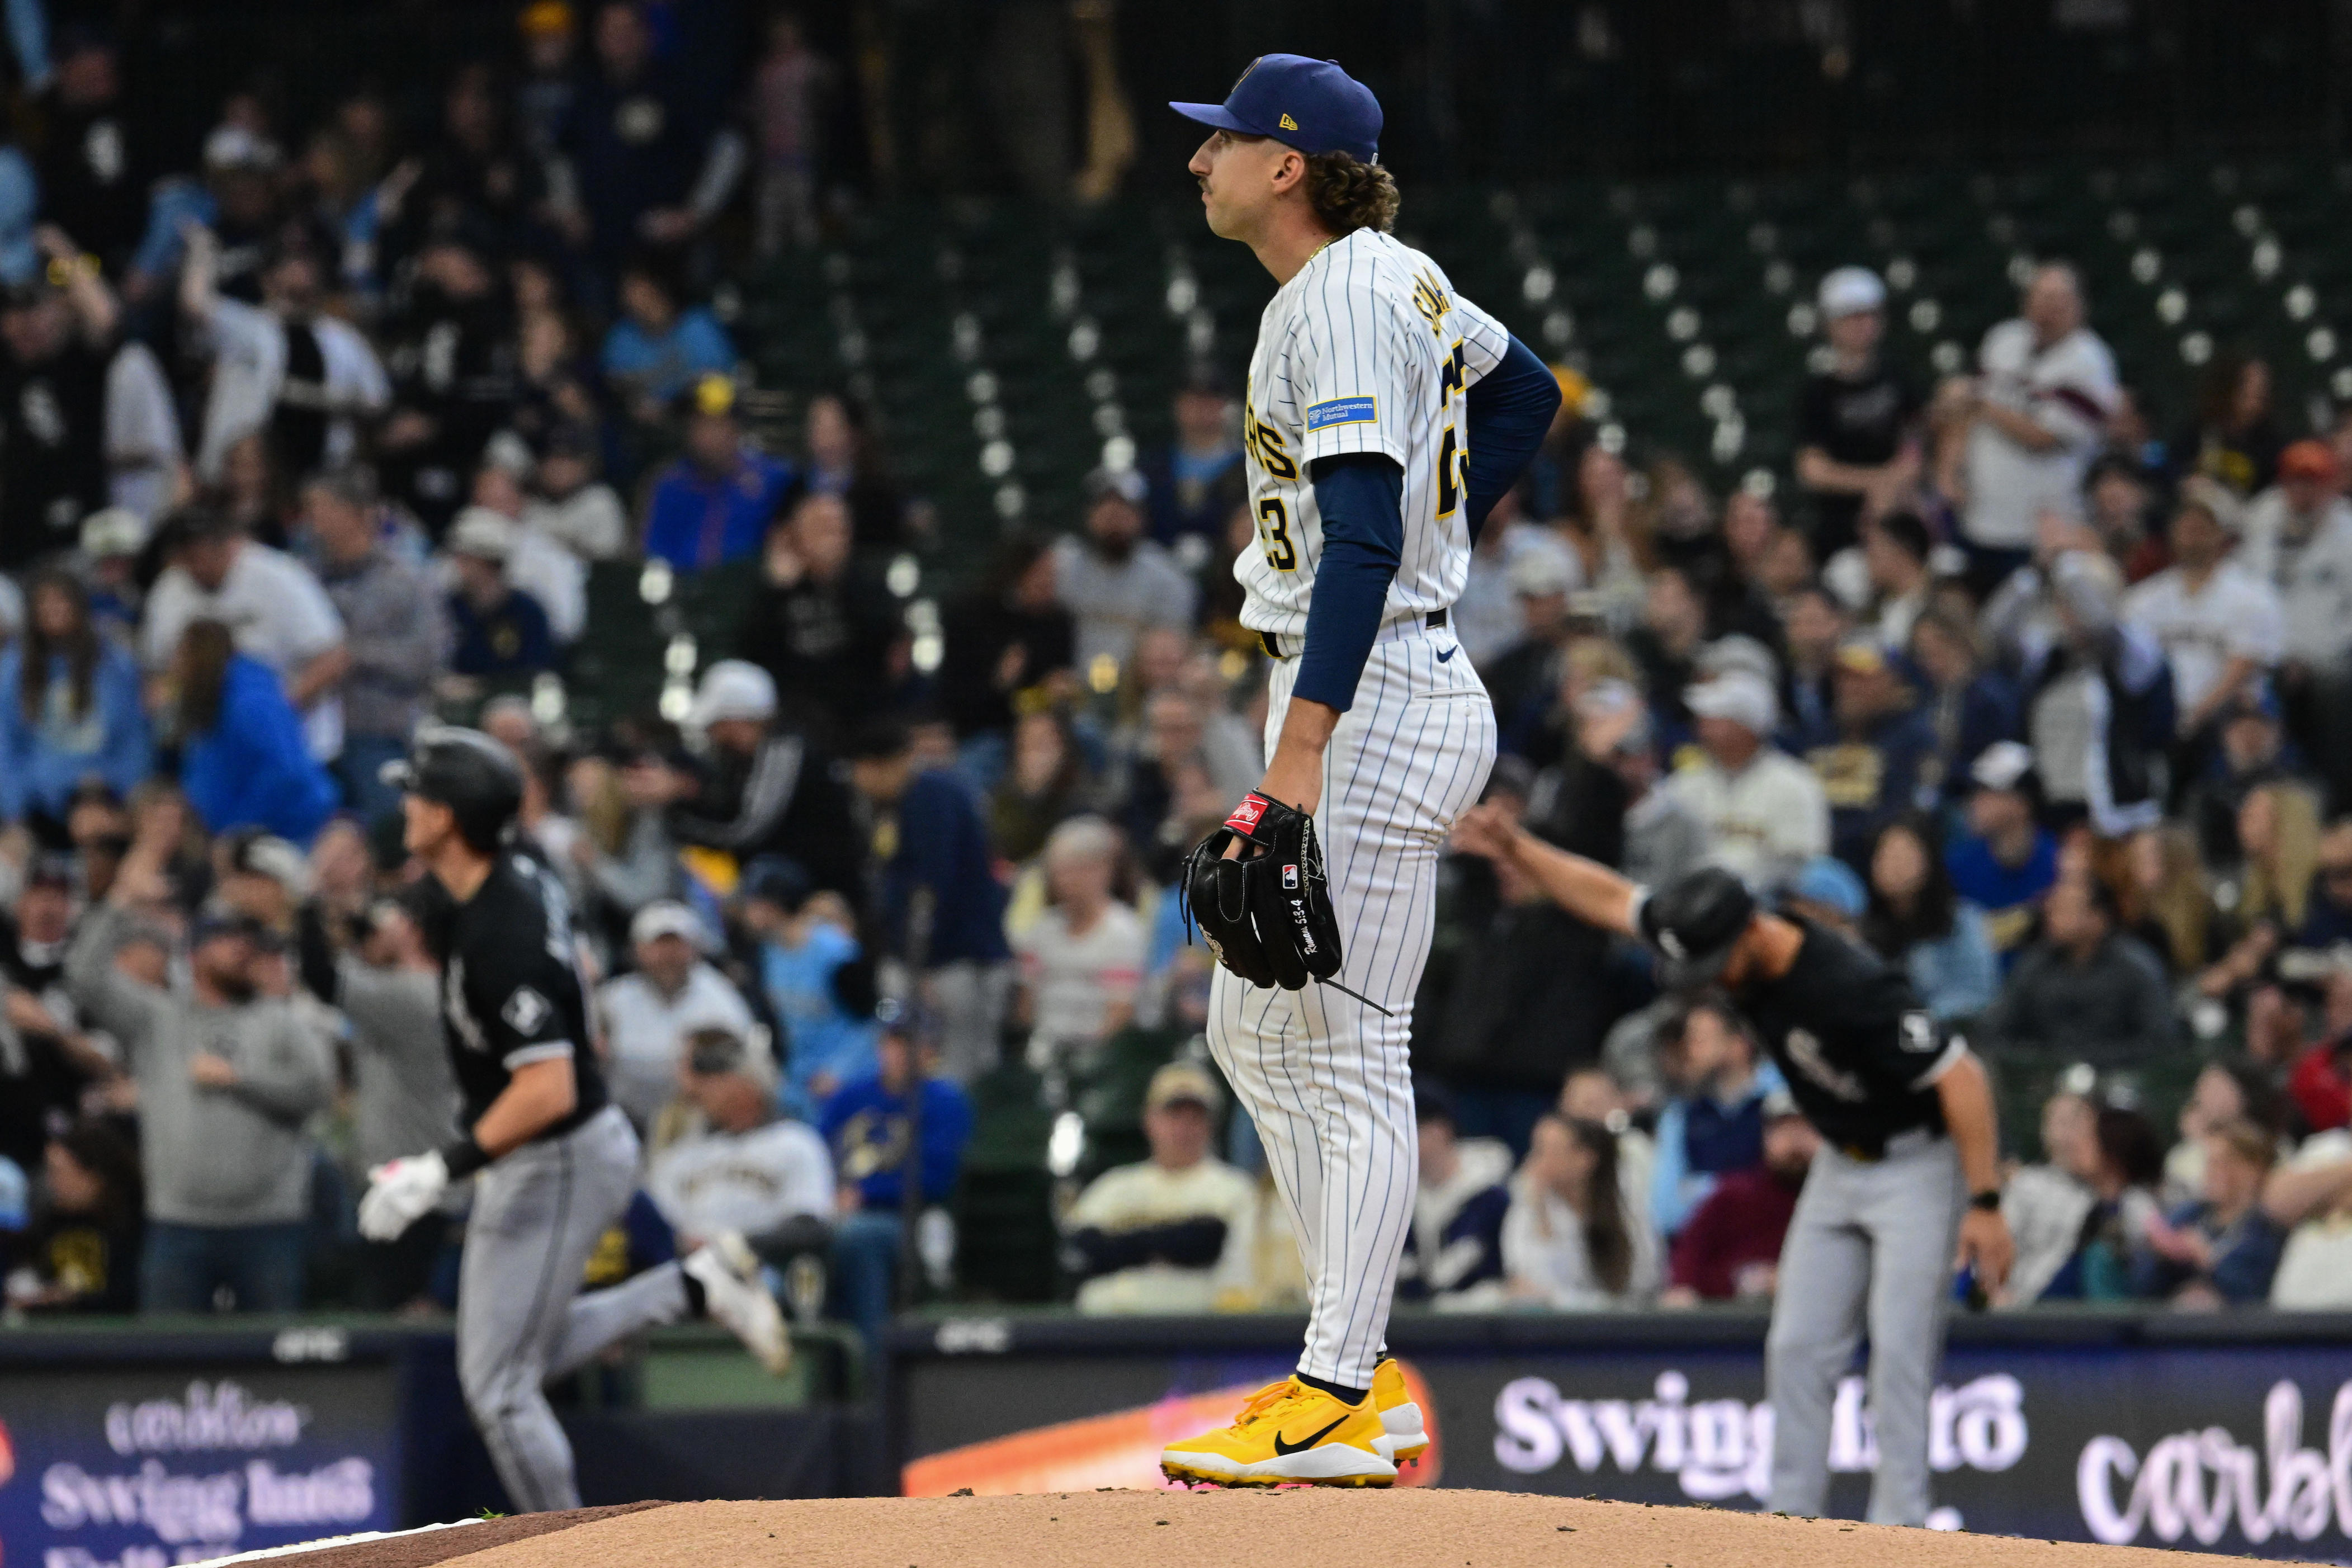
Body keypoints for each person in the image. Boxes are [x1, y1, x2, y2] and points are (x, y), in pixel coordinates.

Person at [1153, 54, 1560, 1491]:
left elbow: (1368, 541)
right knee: (1254, 1037)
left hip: (1371, 688)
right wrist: (1450, 528)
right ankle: (1357, 1371)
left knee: (1350, 1044)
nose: (1196, 161)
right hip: (1382, 668)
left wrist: (1297, 758)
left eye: (1219, 143)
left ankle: (1337, 1386)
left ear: (1286, 164)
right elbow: (1527, 396)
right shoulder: (1400, 274)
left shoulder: (1330, 297)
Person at [1450, 808, 2014, 1527]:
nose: (1709, 982)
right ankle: (1791, 1526)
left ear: (1750, 931)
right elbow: (1609, 897)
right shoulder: (1710, 924)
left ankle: (1901, 1530)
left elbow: (1962, 1077)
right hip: (1842, 1160)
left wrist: (1986, 1201)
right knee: (1798, 1344)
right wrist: (1518, 847)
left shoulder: (1846, 982)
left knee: (1899, 1351)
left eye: (1714, 967)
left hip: (1916, 1163)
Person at [356, 728, 788, 1514]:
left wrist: (437, 1169)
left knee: (499, 1387)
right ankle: (694, 1287)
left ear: (449, 816)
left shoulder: (501, 929)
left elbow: (549, 1086)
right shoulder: (505, 879)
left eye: (417, 794)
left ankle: (567, 1548)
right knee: (514, 1354)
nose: (406, 806)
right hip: (547, 1147)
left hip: (556, 1150)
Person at [66, 815, 335, 1314]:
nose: (241, 949)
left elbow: (315, 1091)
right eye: (227, 939)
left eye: (246, 940)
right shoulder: (159, 1018)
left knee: (275, 1367)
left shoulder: (280, 1017)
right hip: (178, 1225)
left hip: (268, 1226)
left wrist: (240, 1079)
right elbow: (83, 976)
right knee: (167, 1367)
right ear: (195, 953)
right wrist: (121, 903)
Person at [844, 720, 1013, 1083]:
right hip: (923, 961)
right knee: (906, 1071)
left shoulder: (934, 799)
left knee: (963, 1074)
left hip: (957, 962)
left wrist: (920, 967)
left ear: (885, 764)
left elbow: (934, 891)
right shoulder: (896, 803)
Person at [320, 896, 461, 1311]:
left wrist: (316, 908)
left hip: (414, 1187)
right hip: (421, 1177)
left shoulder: (416, 992)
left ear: (416, 934)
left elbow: (323, 978)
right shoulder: (434, 990)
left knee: (403, 1322)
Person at [1949, 263, 2119, 597]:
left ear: (2079, 306)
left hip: (2043, 532)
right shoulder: (2004, 339)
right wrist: (1950, 469)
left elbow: (2043, 436)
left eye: (2058, 299)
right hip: (1979, 520)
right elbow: (1962, 412)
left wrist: (1982, 403)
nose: (2047, 309)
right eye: (2040, 297)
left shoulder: (2090, 361)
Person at [141, 508, 350, 765]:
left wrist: (270, 714)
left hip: (299, 746)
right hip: (215, 752)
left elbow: (333, 657)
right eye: (185, 556)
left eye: (199, 553)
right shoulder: (170, 588)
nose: (194, 565)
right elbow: (159, 675)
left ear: (228, 545)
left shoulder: (279, 576)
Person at [819, 1013, 973, 1356]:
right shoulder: (851, 1097)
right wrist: (828, 1193)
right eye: (894, 1043)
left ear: (929, 1051)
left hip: (907, 1219)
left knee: (859, 1237)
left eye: (911, 1044)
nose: (900, 1053)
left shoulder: (944, 1101)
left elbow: (936, 1177)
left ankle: (876, 1365)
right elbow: (816, 1151)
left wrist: (864, 1194)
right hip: (833, 1209)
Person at [303, 465, 446, 822]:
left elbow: (425, 659)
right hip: (313, 739)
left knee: (388, 842)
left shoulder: (403, 581)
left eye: (323, 509)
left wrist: (355, 655)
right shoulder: (303, 580)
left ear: (358, 514)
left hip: (379, 735)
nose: (313, 521)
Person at [1065, 1060, 1257, 1313]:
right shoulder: (1112, 1187)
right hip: (1105, 1333)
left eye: (1196, 1117)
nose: (1184, 1129)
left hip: (1194, 1335)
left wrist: (1125, 1247)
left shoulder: (1236, 1190)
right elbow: (1080, 1257)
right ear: (1150, 1120)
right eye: (1174, 1115)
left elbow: (1233, 1271)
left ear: (1212, 1125)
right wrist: (1174, 1242)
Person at [646, 1027, 835, 1254]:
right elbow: (657, 1227)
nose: (701, 1091)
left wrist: (730, 1248)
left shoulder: (796, 1142)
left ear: (745, 1084)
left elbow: (811, 1228)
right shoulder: (681, 1154)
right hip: (688, 1272)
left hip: (762, 1272)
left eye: (714, 1081)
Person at [736, 490, 905, 743]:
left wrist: (835, 580)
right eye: (821, 529)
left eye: (839, 529)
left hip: (862, 709)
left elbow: (883, 643)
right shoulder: (774, 590)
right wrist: (776, 591)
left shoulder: (866, 581)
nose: (832, 539)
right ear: (796, 536)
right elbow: (752, 655)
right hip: (800, 713)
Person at [2123, 487, 2286, 743]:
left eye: (2202, 527)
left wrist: (2195, 717)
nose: (2192, 536)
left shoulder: (2253, 595)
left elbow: (2243, 667)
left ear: (2221, 534)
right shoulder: (2145, 599)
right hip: (2157, 718)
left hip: (2227, 718)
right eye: (2186, 527)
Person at [0, 570, 150, 830]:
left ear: (79, 605)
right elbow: (6, 746)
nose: (53, 610)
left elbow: (135, 735)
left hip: (109, 794)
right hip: (38, 803)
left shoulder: (114, 661)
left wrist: (123, 789)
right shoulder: (14, 669)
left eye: (61, 601)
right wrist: (17, 812)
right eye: (44, 603)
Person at [596, 899, 759, 1130]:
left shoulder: (721, 999)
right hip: (623, 1122)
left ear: (695, 949)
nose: (668, 955)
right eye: (659, 945)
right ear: (637, 951)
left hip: (697, 1125)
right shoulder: (611, 1001)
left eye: (677, 945)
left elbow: (745, 1070)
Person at [173, 620, 341, 846]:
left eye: (183, 657)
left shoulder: (250, 703)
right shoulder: (211, 700)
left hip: (289, 833)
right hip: (239, 836)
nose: (175, 667)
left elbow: (286, 772)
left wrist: (240, 827)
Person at [1977, 876, 2175, 1065]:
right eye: (2052, 908)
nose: (2052, 916)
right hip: (2046, 1079)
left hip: (2121, 1079)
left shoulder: (2135, 967)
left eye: (2066, 909)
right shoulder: (2034, 965)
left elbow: (2159, 1040)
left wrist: (2090, 1062)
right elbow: (1998, 1029)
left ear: (2098, 918)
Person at [1794, 267, 1921, 561]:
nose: (1863, 325)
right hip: (1843, 527)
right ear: (1831, 326)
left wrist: (1898, 479)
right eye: (1852, 317)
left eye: (1870, 315)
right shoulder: (1817, 392)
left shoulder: (1897, 375)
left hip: (1902, 516)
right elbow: (1813, 470)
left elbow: (1915, 437)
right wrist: (1880, 481)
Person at [1665, 669, 1830, 891]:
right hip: (1690, 904)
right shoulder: (1684, 783)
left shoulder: (1795, 784)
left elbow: (1801, 863)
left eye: (1715, 719)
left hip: (1768, 908)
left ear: (1746, 725)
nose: (1702, 726)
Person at [739, 857, 877, 1122]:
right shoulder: (768, 952)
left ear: (773, 906)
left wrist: (840, 1072)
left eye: (752, 904)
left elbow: (871, 1020)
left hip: (846, 1080)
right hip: (800, 1080)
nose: (746, 913)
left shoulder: (836, 953)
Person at [1662, 1089, 1820, 1305]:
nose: (1795, 1143)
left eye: (1806, 1130)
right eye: (1784, 1131)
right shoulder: (1733, 1196)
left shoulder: (1839, 1204)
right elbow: (1688, 1257)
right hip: (1733, 1325)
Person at [1647, 993, 1786, 1240]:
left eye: (1700, 1040)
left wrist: (1701, 1188)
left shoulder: (1783, 1098)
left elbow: (1789, 1191)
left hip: (1777, 1241)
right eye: (1689, 1042)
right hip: (1711, 1246)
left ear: (1740, 1043)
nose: (1690, 1052)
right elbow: (1666, 1212)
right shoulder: (1681, 1114)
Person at [1012, 815, 1145, 1064]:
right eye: (1059, 873)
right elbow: (1025, 1004)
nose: (1064, 882)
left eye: (1074, 871)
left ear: (1101, 870)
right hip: (1043, 1049)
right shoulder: (1043, 929)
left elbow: (1121, 1012)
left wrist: (1082, 1055)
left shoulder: (1123, 931)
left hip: (1099, 1056)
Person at [1054, 465, 1198, 682]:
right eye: (1105, 511)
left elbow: (1175, 646)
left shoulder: (1167, 576)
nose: (1114, 520)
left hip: (1141, 691)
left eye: (1123, 512)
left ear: (1141, 517)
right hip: (1071, 686)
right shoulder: (1062, 567)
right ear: (1089, 516)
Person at [1501, 1113, 1659, 1308]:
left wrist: (1560, 1298)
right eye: (1535, 1150)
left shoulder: (1628, 1207)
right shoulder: (1527, 1209)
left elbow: (1644, 1283)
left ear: (1585, 1159)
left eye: (1546, 1151)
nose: (1534, 1161)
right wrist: (1542, 1216)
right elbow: (1530, 1288)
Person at [640, 375, 792, 572]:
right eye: (701, 425)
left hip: (749, 593)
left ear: (736, 428)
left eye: (719, 424)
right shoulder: (670, 486)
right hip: (684, 591)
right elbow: (654, 556)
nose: (710, 436)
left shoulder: (771, 480)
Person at [2131, 1118, 2284, 1306]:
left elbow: (2253, 1291)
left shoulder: (2265, 1227)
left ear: (2254, 1169)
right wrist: (2161, 1256)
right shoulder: (2191, 1214)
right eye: (2210, 1162)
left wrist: (2206, 1258)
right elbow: (2142, 1287)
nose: (2211, 1171)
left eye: (2224, 1162)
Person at [1862, 815, 2000, 1021]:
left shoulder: (1962, 922)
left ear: (1929, 862)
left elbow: (1978, 992)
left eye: (1904, 856)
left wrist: (1916, 1021)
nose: (1893, 866)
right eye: (1884, 856)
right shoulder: (1862, 927)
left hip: (1945, 1034)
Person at [1392, 1079, 1512, 1310]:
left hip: (1478, 1321)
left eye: (1410, 1129)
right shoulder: (1400, 1194)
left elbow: (1479, 1263)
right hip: (1415, 1321)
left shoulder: (1489, 1194)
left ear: (1441, 1130)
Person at [4, 1120, 144, 1315]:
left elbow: (126, 1295)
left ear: (95, 1176)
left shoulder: (131, 1230)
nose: (52, 1184)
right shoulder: (47, 1225)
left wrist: (73, 1299)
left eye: (59, 1173)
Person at [1944, 742, 2058, 965]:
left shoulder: (2059, 864)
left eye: (1988, 792)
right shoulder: (1958, 865)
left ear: (2022, 803)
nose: (1974, 802)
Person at [442, 509, 558, 683]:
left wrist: (484, 687)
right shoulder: (447, 608)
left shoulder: (528, 612)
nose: (459, 567)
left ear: (491, 564)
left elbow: (537, 672)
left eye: (467, 559)